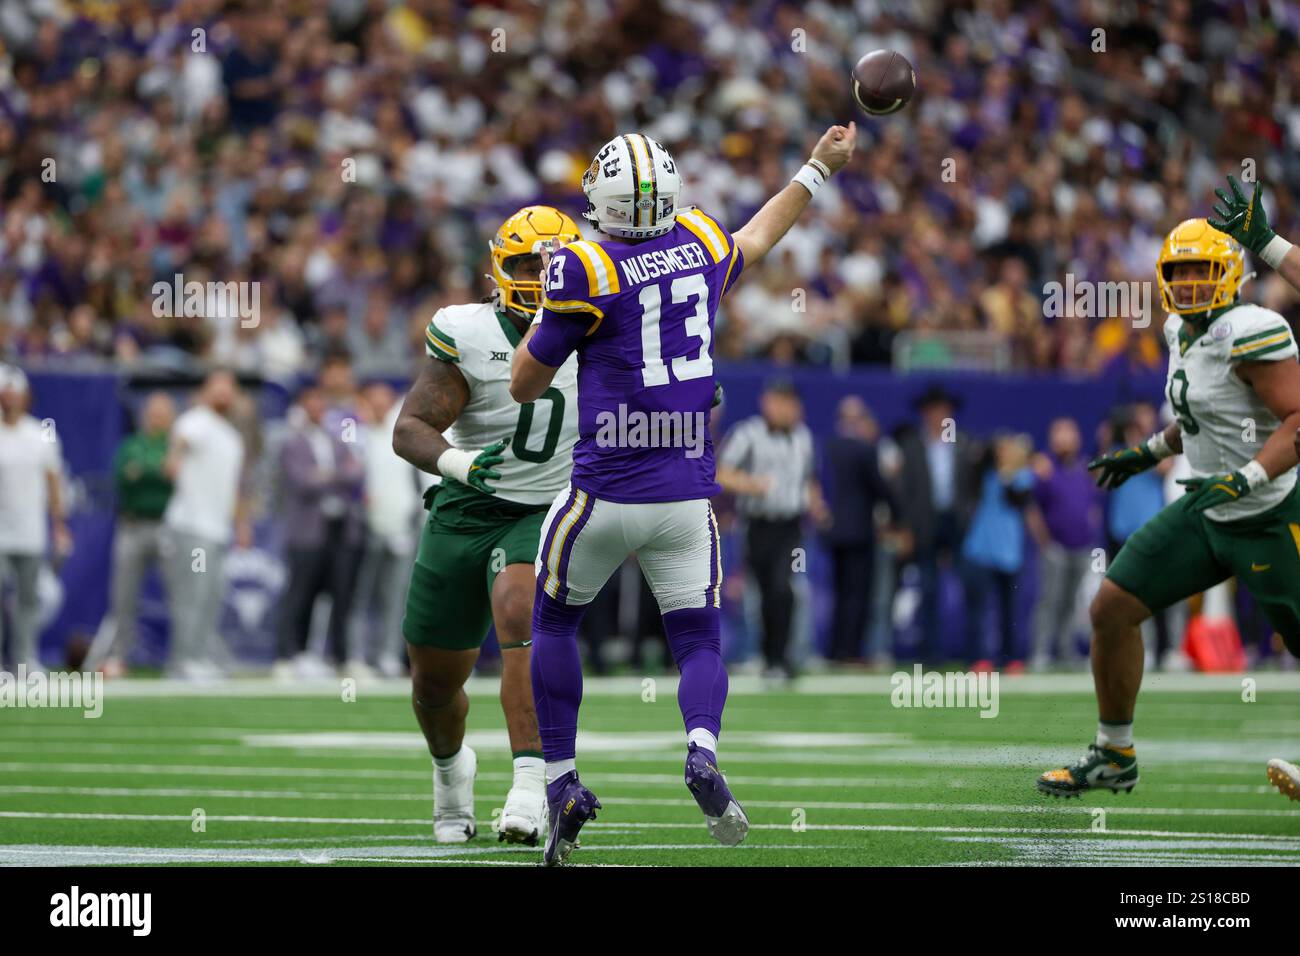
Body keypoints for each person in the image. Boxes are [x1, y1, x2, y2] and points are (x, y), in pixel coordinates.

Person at [510, 124, 856, 863]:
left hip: (603, 491)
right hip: (685, 495)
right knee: (698, 640)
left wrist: (548, 315)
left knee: (554, 624)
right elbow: (760, 235)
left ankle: (563, 780)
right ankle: (701, 748)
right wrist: (819, 167)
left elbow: (523, 382)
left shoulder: (585, 266)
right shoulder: (699, 238)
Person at [1039, 191, 1300, 802]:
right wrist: (1151, 451)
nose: (1187, 284)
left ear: (1231, 276)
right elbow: (1202, 417)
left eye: (1201, 271)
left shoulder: (1252, 329)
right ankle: (1113, 753)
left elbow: (1296, 422)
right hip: (1207, 508)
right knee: (1111, 608)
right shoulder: (1179, 332)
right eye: (1177, 272)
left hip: (1269, 513)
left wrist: (1250, 479)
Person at [393, 205, 582, 846]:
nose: (544, 274)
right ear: (501, 269)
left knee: (519, 612)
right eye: (531, 263)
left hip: (546, 510)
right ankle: (451, 771)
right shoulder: (466, 331)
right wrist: (462, 463)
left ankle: (530, 788)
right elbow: (409, 430)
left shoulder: (602, 325)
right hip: (466, 507)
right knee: (434, 685)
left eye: (556, 261)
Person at [717, 379, 825, 680]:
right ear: (766, 402)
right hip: (757, 524)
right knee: (762, 591)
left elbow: (810, 479)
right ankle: (766, 656)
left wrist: (816, 505)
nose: (786, 409)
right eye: (780, 401)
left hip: (791, 526)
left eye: (791, 402)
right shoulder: (747, 433)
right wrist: (751, 485)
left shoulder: (803, 437)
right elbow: (721, 472)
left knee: (783, 586)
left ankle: (782, 657)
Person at [272, 382, 367, 677]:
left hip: (340, 527)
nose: (317, 406)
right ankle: (288, 656)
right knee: (301, 592)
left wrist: (327, 475)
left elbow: (357, 473)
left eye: (320, 400)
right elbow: (303, 482)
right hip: (308, 529)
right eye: (311, 401)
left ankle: (341, 657)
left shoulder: (335, 438)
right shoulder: (292, 442)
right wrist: (336, 476)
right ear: (302, 406)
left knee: (342, 592)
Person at [161, 368, 249, 679]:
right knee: (191, 596)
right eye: (218, 386)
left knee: (211, 596)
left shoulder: (233, 437)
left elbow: (233, 485)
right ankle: (182, 661)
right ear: (206, 390)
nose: (224, 393)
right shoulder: (195, 420)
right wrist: (173, 458)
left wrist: (241, 523)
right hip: (191, 526)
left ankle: (197, 657)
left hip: (217, 530)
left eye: (230, 387)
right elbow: (181, 443)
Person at [893, 383, 982, 663]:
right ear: (925, 414)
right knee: (928, 588)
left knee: (969, 586)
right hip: (926, 524)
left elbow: (974, 487)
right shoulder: (912, 447)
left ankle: (974, 654)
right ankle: (930, 654)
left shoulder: (965, 445)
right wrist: (905, 527)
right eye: (933, 410)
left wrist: (970, 516)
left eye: (943, 410)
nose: (938, 416)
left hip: (958, 523)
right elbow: (904, 491)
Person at [97, 392, 177, 676]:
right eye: (153, 412)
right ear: (145, 415)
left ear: (171, 417)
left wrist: (145, 473)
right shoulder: (132, 444)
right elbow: (123, 478)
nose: (157, 418)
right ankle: (118, 656)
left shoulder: (175, 445)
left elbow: (175, 481)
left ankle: (183, 657)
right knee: (123, 596)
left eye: (163, 413)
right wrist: (159, 473)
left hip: (168, 528)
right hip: (131, 526)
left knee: (180, 594)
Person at [820, 396, 902, 663]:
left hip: (834, 530)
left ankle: (836, 649)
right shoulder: (864, 450)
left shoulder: (829, 447)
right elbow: (880, 489)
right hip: (858, 531)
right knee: (857, 594)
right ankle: (850, 651)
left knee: (841, 592)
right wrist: (899, 516)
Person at [349, 381, 422, 677]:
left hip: (401, 530)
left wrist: (410, 521)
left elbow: (415, 482)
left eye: (385, 401)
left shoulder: (400, 436)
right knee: (361, 594)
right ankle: (355, 655)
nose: (379, 406)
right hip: (365, 529)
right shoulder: (357, 436)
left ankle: (388, 655)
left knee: (396, 597)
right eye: (373, 400)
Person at [0, 365, 70, 671]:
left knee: (29, 598)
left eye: (15, 394)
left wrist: (59, 525)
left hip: (30, 531)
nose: (11, 399)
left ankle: (24, 659)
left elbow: (53, 482)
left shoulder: (41, 432)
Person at [1028, 416, 1101, 671]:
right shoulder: (1045, 469)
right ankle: (1040, 652)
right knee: (1049, 600)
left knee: (1071, 602)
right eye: (1060, 434)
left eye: (1069, 433)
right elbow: (1032, 509)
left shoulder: (1082, 468)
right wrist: (1045, 543)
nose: (1064, 439)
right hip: (1055, 547)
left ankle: (1065, 650)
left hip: (1081, 547)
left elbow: (1091, 504)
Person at [960, 433, 1035, 669]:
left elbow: (1017, 499)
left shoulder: (1023, 477)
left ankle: (1011, 658)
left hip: (1008, 552)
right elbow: (973, 467)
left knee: (1009, 610)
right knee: (980, 610)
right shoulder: (985, 474)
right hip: (980, 549)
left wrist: (1009, 474)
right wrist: (991, 450)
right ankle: (979, 658)